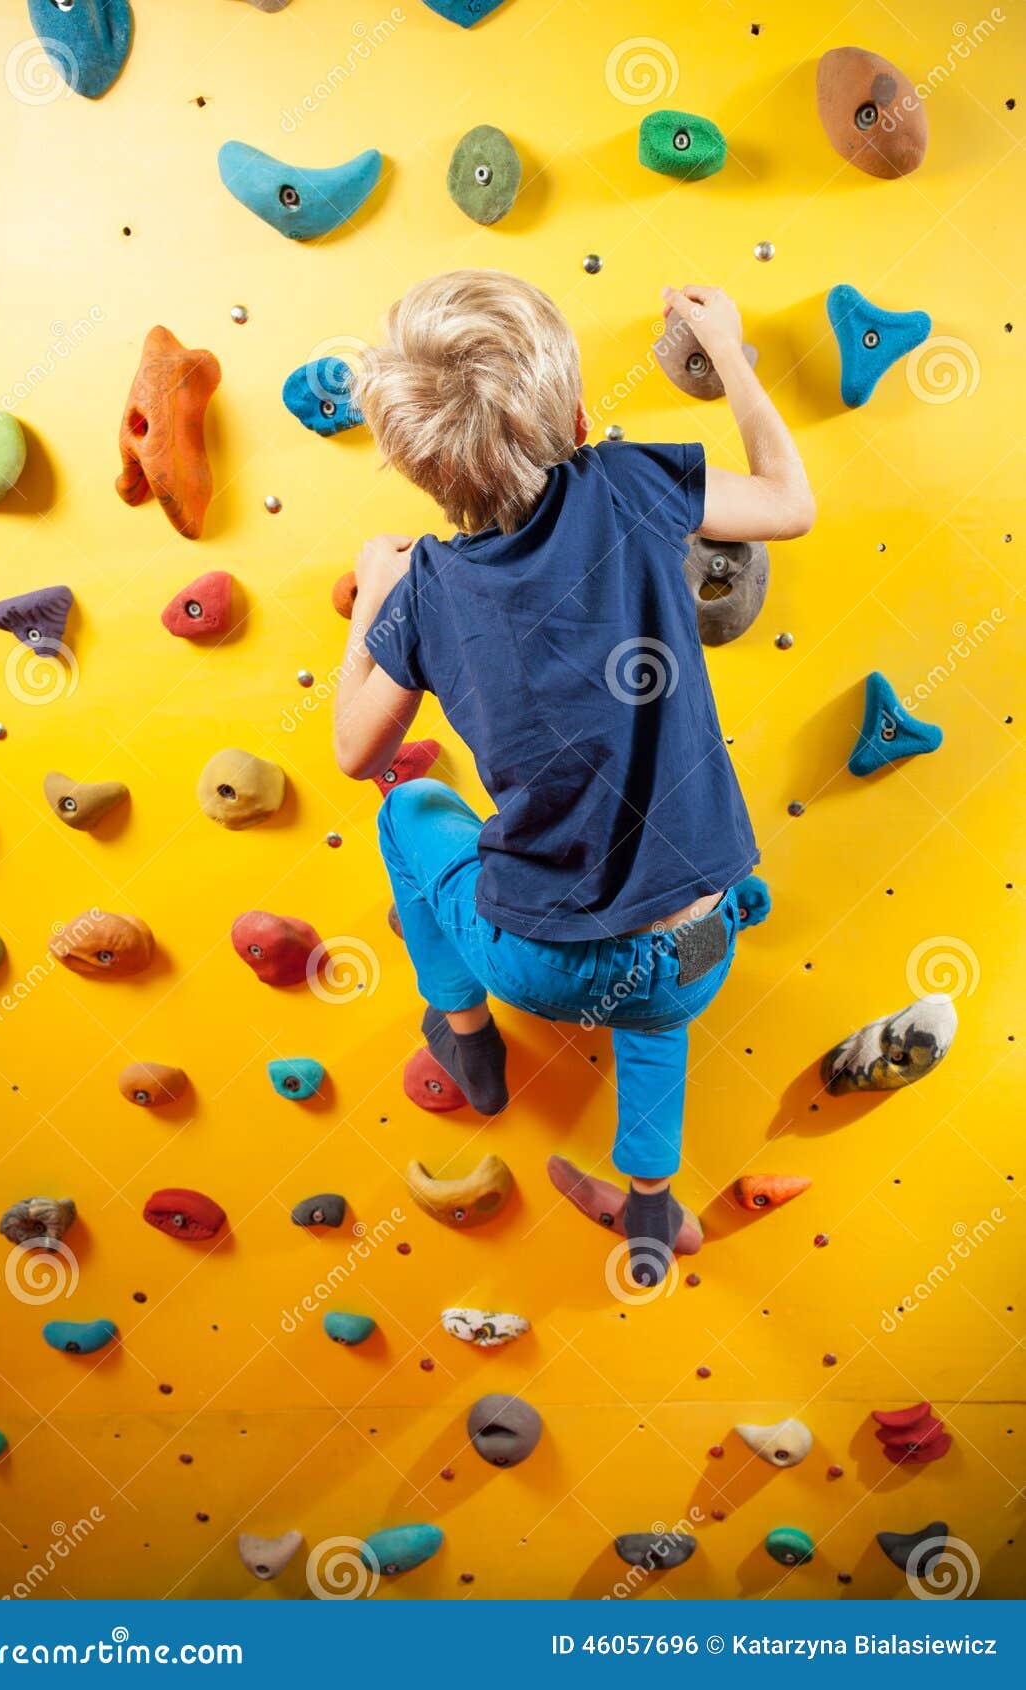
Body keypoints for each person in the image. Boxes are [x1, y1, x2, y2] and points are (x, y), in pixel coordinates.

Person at [334, 270, 814, 1287]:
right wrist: (725, 348)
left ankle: (463, 1030)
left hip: (540, 969)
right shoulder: (630, 484)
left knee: (414, 808)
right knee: (655, 1013)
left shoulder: (422, 588)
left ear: (417, 471)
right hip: (698, 940)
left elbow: (354, 752)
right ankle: (650, 1211)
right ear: (580, 417)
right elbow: (786, 502)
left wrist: (366, 606)